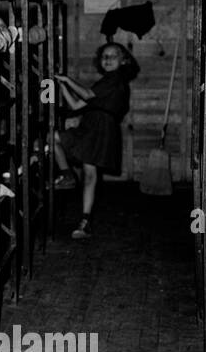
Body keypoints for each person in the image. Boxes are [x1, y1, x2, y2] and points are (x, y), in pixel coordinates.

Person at [52, 41, 140, 239]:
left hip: (102, 129)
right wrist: (61, 85)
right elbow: (76, 105)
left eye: (113, 56)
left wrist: (67, 79)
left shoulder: (116, 79)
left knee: (89, 174)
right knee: (57, 141)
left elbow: (86, 94)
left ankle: (83, 220)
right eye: (104, 56)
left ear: (124, 60)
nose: (107, 59)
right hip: (90, 125)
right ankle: (69, 180)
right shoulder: (105, 82)